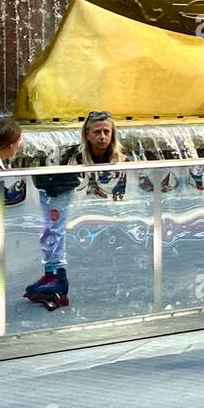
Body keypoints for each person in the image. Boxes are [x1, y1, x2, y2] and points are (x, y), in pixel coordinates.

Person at [27, 112, 127, 310]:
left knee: (54, 230)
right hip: (53, 186)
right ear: (87, 134)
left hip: (70, 192)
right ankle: (55, 274)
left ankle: (55, 275)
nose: (103, 137)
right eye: (97, 132)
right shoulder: (71, 158)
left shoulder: (119, 157)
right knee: (53, 229)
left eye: (107, 132)